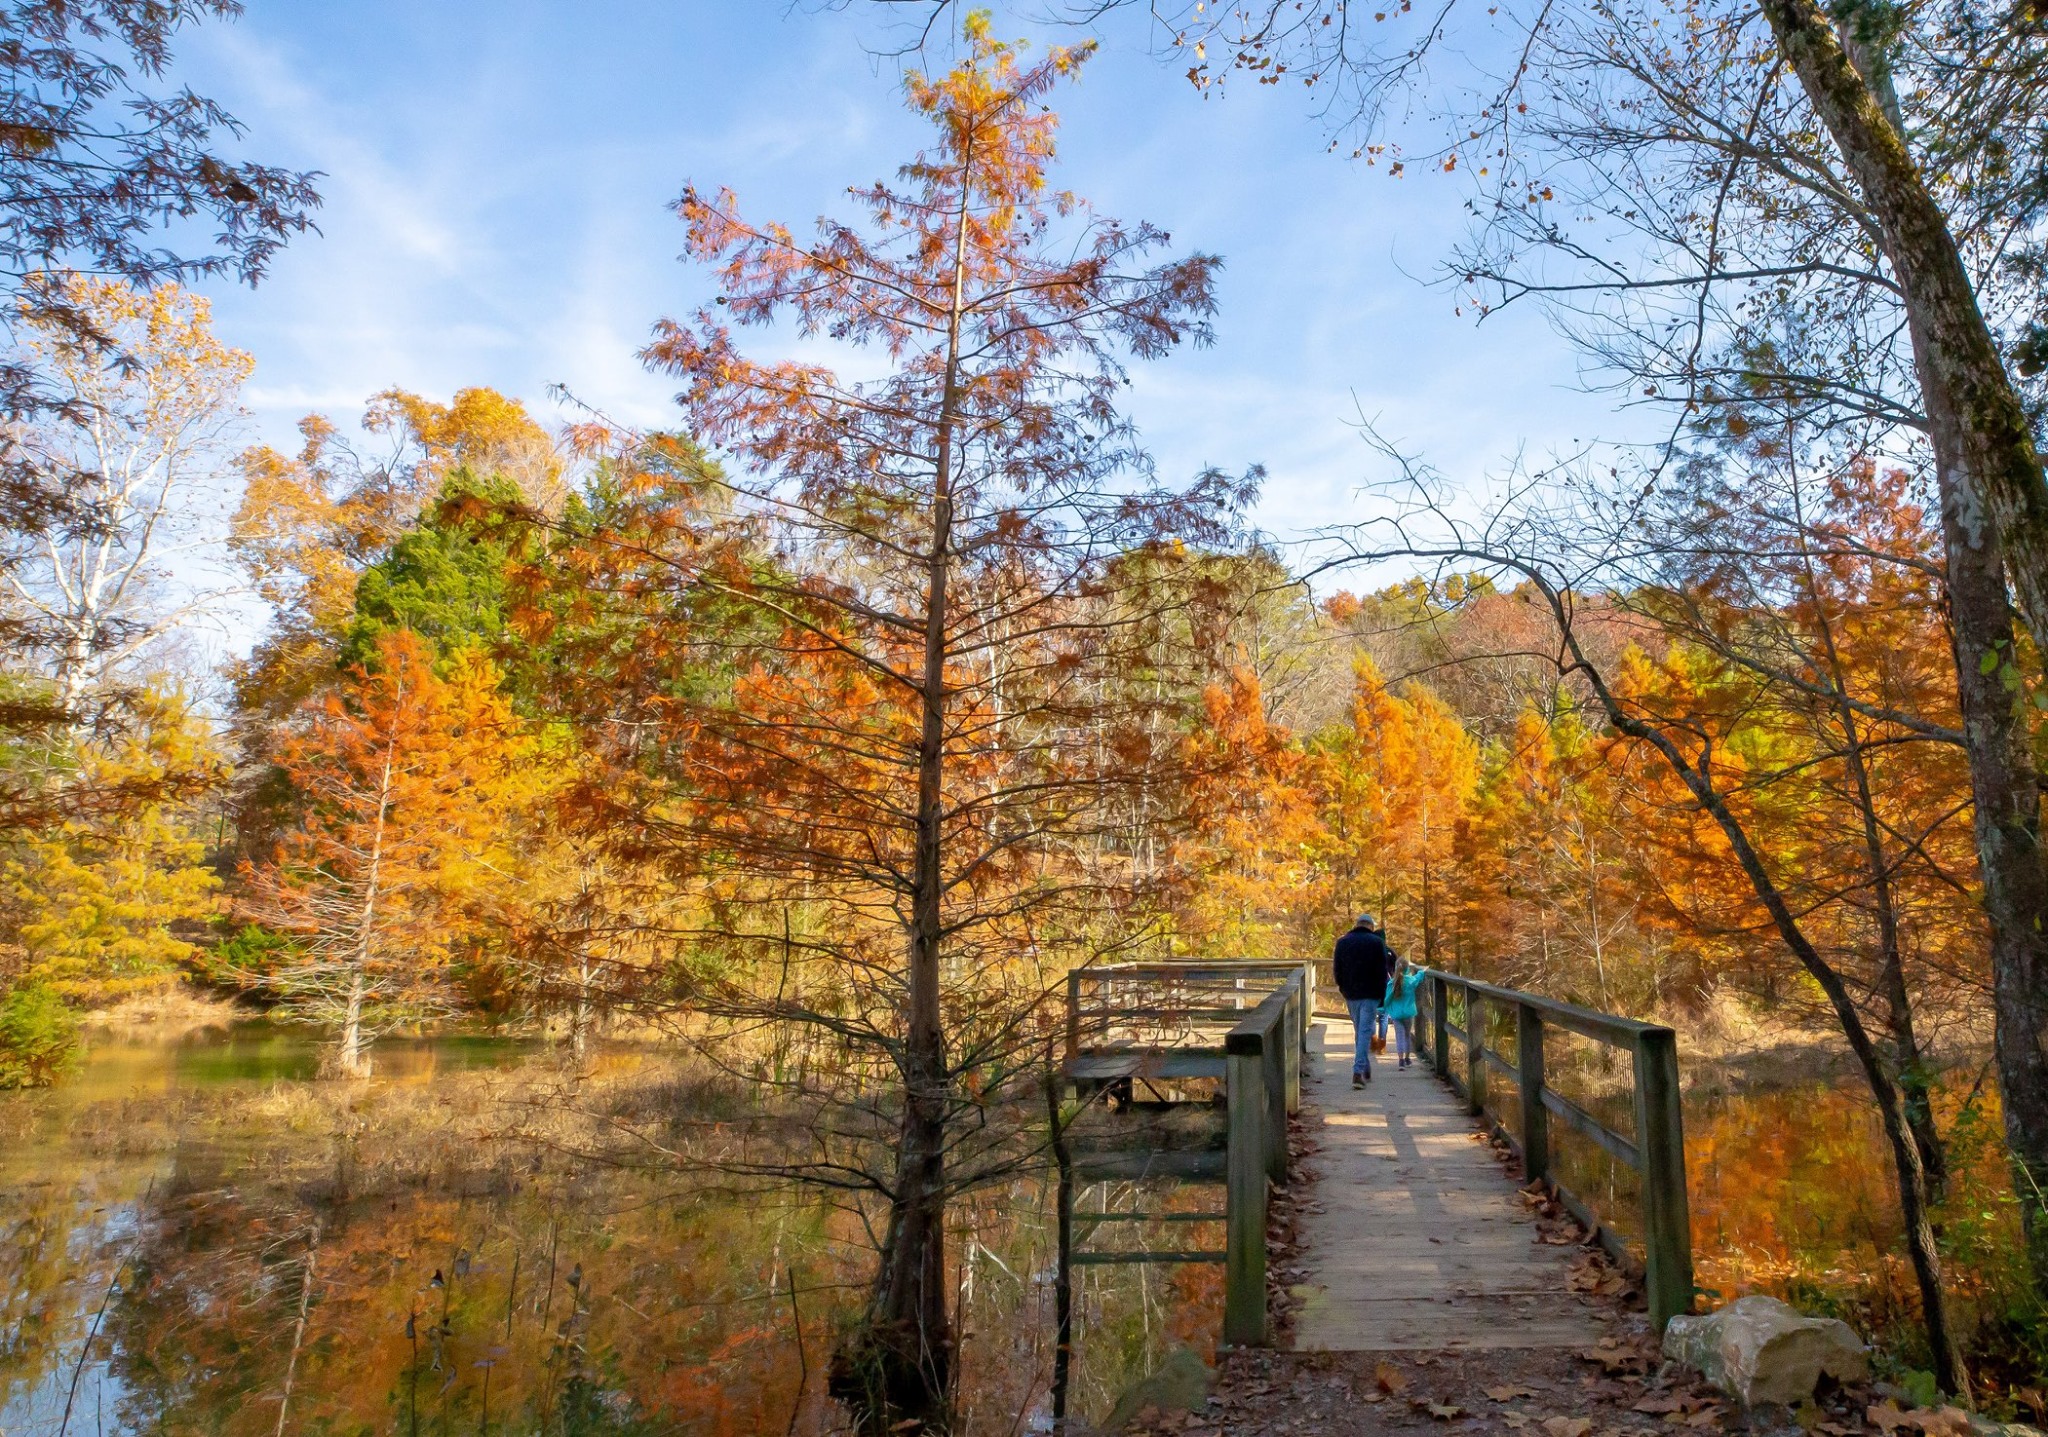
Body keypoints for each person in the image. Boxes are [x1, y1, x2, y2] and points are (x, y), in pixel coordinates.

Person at [1332, 913, 1394, 1088]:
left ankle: (1363, 1066)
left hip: (1351, 994)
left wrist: (1342, 988)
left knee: (1361, 1030)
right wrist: (1382, 995)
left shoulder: (1342, 942)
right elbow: (1382, 971)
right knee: (1364, 1031)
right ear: (1371, 926)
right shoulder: (1376, 943)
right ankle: (1358, 1072)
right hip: (1370, 994)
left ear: (1357, 924)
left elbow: (1337, 969)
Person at [1383, 955, 1425, 1070]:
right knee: (1407, 1036)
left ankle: (1400, 1060)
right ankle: (1407, 1058)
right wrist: (1422, 972)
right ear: (1407, 969)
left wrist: (1383, 1008)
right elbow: (1418, 977)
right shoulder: (1411, 981)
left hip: (1396, 1015)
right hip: (1408, 1013)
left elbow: (1387, 998)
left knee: (1399, 1036)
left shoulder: (1392, 983)